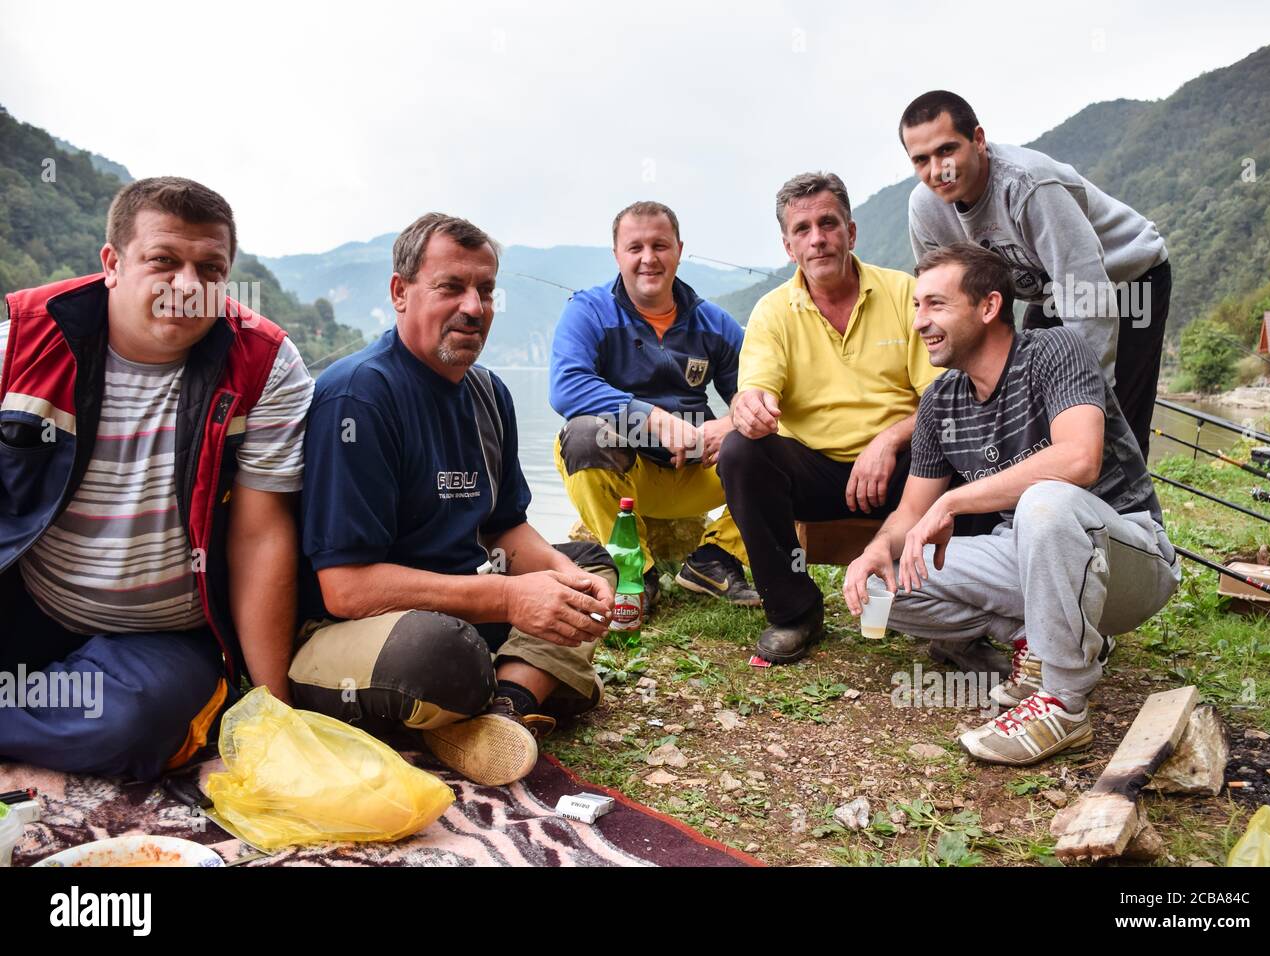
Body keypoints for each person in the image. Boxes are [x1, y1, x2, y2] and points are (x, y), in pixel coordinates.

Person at [0, 177, 313, 780]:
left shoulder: (265, 364)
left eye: (211, 269)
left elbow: (259, 535)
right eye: (164, 261)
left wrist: (275, 714)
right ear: (112, 264)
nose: (190, 287)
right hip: (29, 601)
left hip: (163, 635)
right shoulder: (20, 338)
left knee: (133, 723)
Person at [295, 212, 617, 787]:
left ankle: (500, 710)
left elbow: (506, 529)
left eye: (486, 290)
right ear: (400, 292)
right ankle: (511, 685)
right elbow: (344, 590)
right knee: (439, 651)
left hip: (468, 605)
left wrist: (568, 584)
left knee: (591, 565)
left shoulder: (488, 393)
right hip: (372, 633)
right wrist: (513, 599)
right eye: (451, 287)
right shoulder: (358, 398)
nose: (474, 307)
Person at [843, 243, 1180, 766]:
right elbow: (909, 516)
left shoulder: (1054, 350)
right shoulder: (939, 402)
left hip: (1129, 561)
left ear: (989, 306)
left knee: (1044, 501)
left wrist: (955, 500)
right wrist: (875, 549)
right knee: (880, 584)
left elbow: (1079, 459)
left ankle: (1064, 703)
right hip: (1028, 560)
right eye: (916, 306)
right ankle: (1040, 636)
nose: (919, 323)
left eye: (935, 305)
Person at [718, 172, 943, 665]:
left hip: (905, 468)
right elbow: (755, 387)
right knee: (741, 451)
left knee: (961, 440)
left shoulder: (905, 293)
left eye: (828, 223)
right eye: (802, 229)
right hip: (817, 473)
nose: (817, 238)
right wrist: (748, 409)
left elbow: (941, 397)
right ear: (788, 245)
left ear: (851, 232)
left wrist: (888, 440)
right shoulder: (772, 311)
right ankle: (794, 610)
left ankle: (959, 613)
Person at [900, 90, 1171, 458]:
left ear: (978, 140)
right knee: (1030, 404)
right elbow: (950, 301)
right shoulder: (925, 209)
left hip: (1126, 278)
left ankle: (1133, 511)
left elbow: (1085, 293)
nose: (938, 170)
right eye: (921, 160)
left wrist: (1086, 402)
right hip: (1048, 293)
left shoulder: (1028, 185)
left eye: (947, 150)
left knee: (1111, 416)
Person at [549, 201, 757, 607]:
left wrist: (731, 424)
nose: (649, 258)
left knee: (779, 443)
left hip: (700, 469)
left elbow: (759, 392)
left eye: (660, 246)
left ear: (679, 250)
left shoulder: (713, 322)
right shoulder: (587, 310)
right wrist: (653, 418)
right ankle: (634, 573)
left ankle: (715, 559)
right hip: (628, 473)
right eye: (635, 247)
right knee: (581, 436)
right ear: (617, 255)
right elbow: (566, 385)